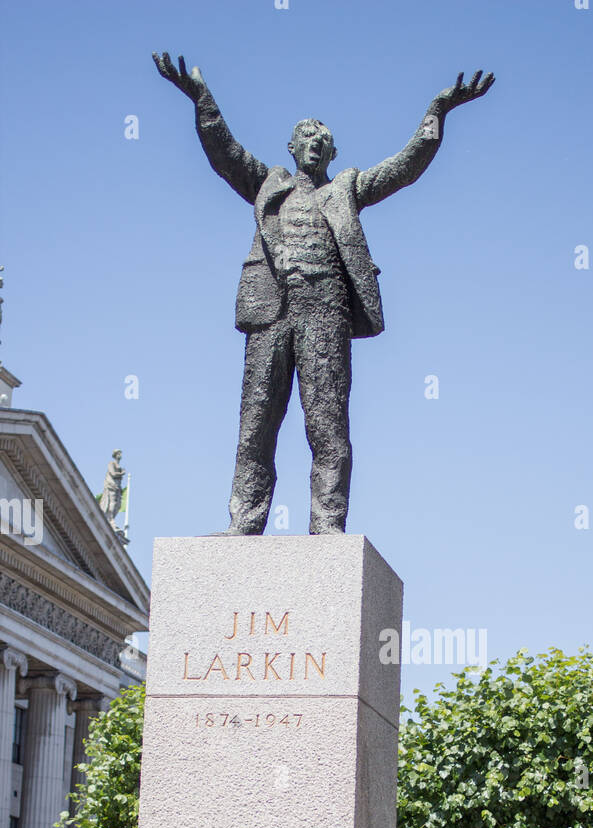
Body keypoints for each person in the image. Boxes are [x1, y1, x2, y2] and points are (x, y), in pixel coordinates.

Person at [152, 54, 494, 536]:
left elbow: (404, 167)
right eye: (306, 139)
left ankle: (328, 525)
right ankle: (244, 524)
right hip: (270, 312)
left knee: (327, 426)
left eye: (323, 142)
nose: (314, 146)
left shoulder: (347, 189)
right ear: (291, 147)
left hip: (325, 315)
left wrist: (437, 113)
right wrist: (201, 99)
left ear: (331, 153)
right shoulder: (267, 183)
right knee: (255, 424)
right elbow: (224, 151)